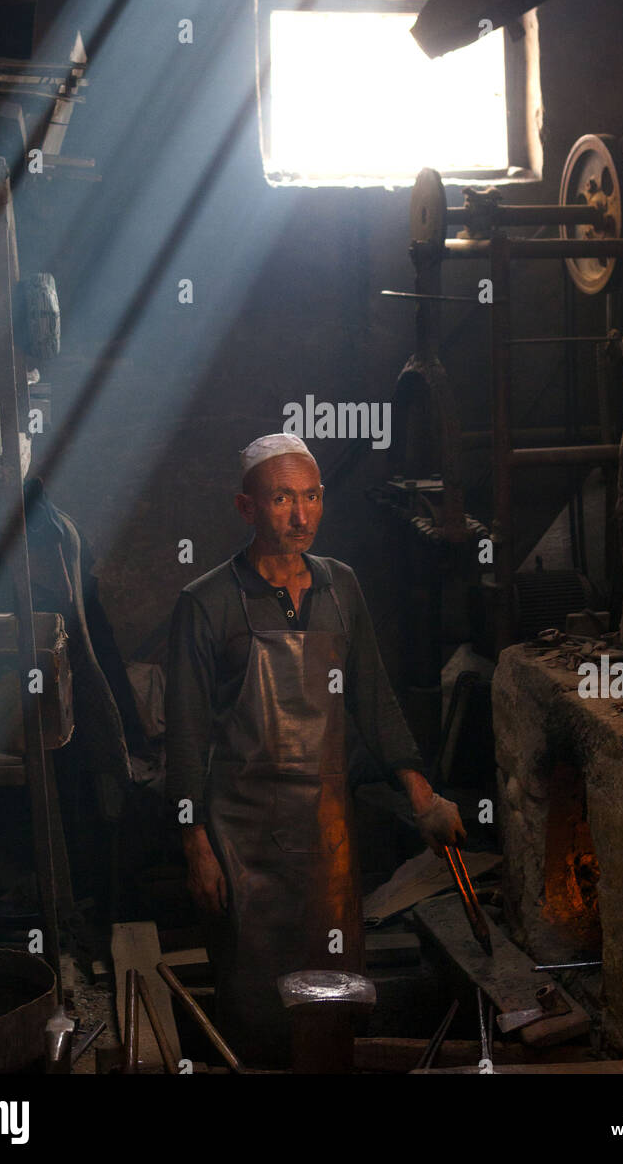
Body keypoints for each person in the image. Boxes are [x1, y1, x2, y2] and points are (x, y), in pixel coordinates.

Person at [164, 433, 465, 1065]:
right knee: (253, 1003)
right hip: (240, 844)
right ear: (246, 508)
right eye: (281, 499)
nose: (301, 517)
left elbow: (374, 702)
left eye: (310, 498)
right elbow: (186, 742)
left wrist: (423, 795)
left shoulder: (340, 588)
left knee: (331, 1001)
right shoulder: (206, 604)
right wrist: (197, 849)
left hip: (327, 839)